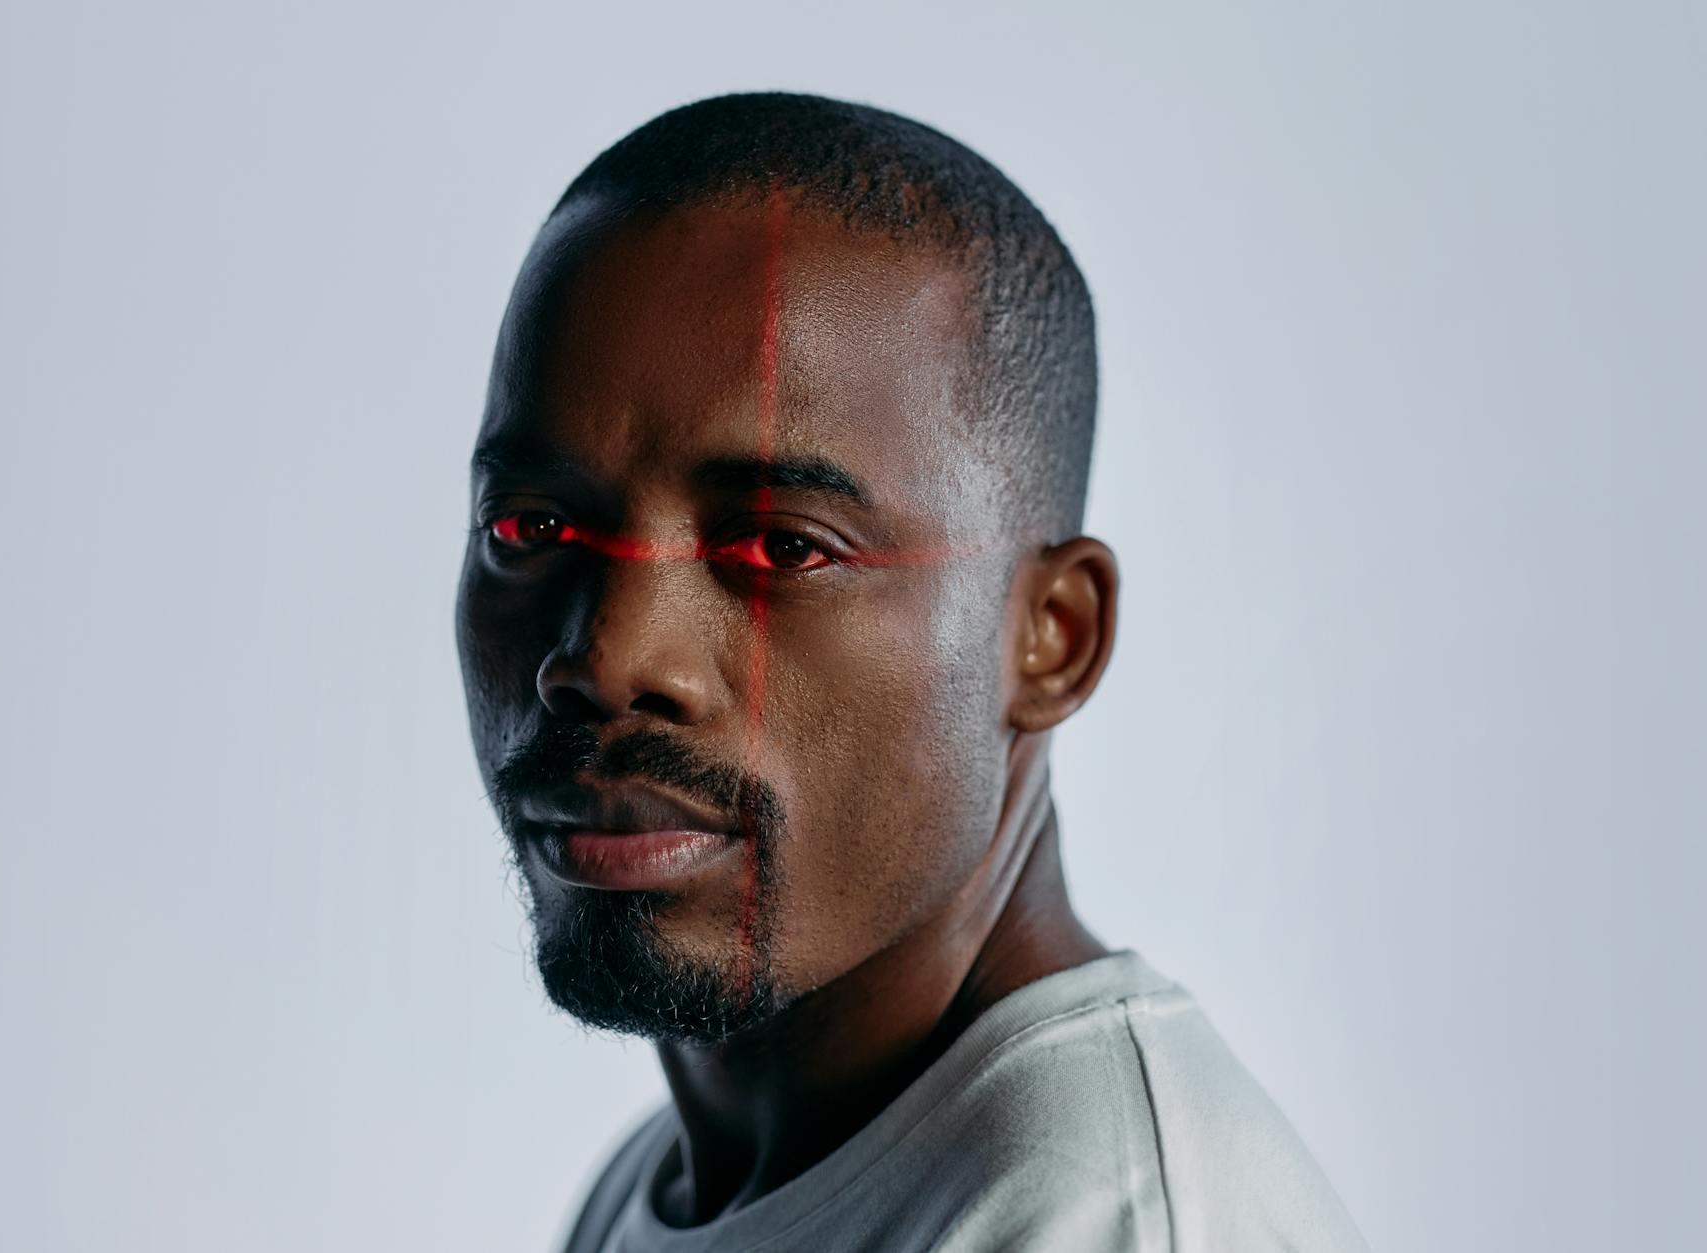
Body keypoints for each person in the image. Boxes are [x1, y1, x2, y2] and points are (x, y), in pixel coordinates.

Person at [455, 91, 1369, 1252]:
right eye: (531, 528)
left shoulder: (1102, 1220)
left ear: (1050, 635)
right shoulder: (662, 1185)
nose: (604, 657)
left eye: (782, 547)